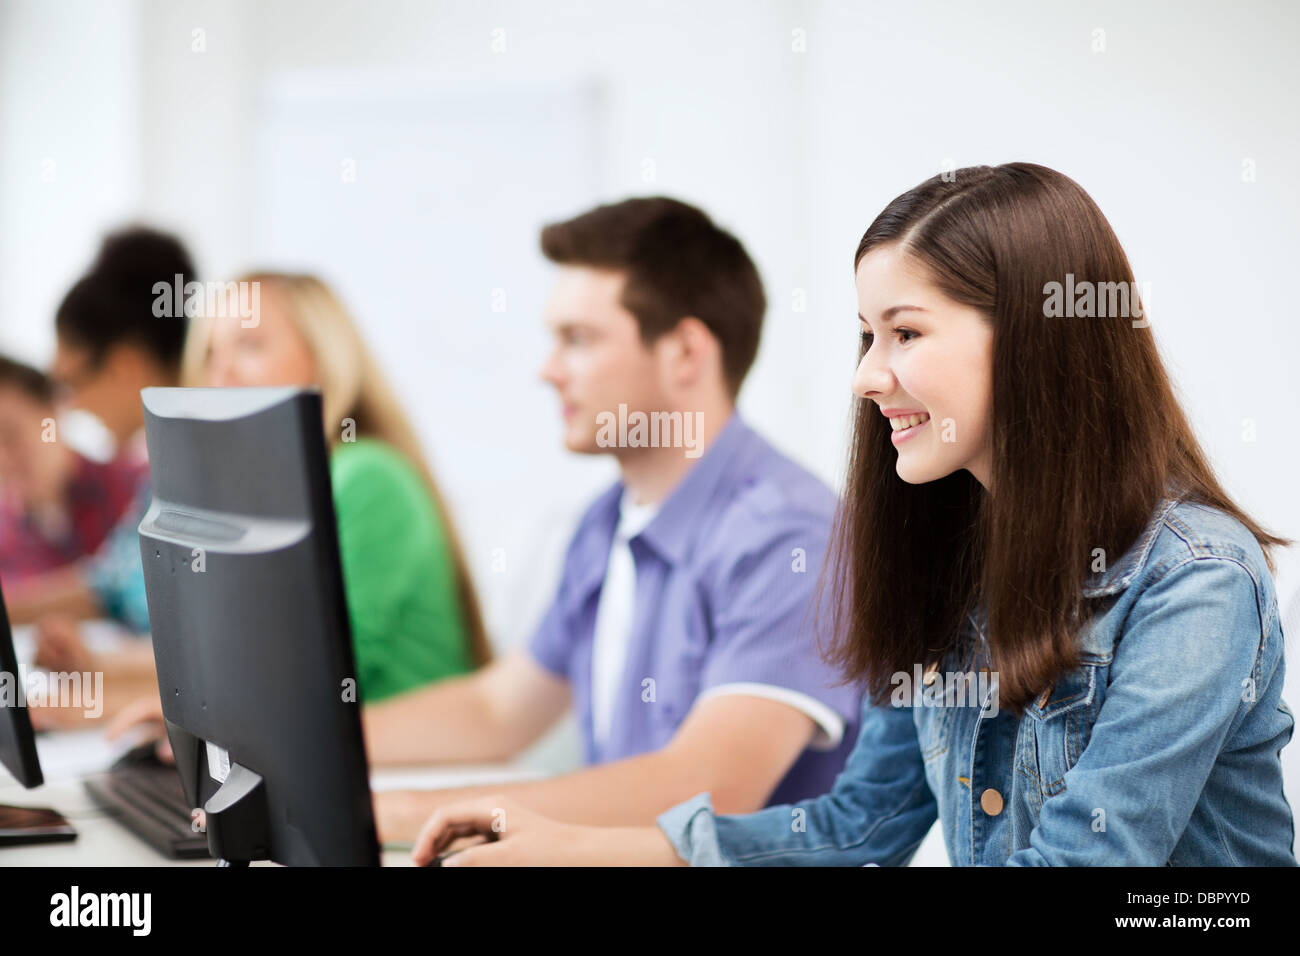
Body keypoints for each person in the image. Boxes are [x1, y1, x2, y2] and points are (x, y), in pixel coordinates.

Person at [410, 163, 1297, 867]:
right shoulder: (943, 556)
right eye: (866, 335)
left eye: (905, 334)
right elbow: (863, 821)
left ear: (1037, 337)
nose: (867, 376)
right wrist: (569, 848)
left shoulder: (1196, 580)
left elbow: (1087, 864)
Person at [369, 197, 862, 843]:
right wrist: (300, 743)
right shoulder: (605, 523)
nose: (548, 371)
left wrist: (400, 814)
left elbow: (707, 785)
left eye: (578, 340)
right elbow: (498, 711)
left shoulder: (790, 537)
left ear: (685, 353)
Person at [108, 271, 490, 755]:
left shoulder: (367, 476)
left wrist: (101, 699)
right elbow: (234, 656)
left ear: (325, 360)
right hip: (321, 761)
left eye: (250, 345)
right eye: (210, 355)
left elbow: (310, 668)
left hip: (413, 771)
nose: (220, 375)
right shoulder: (270, 498)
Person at [0, 355, 139, 584]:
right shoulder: (5, 539)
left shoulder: (135, 488)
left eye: (11, 433)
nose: (3, 458)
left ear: (52, 416)